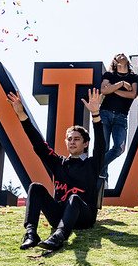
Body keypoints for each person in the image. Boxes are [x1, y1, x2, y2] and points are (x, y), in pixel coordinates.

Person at [8, 89, 105, 251]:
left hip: (84, 217)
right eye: (69, 139)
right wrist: (21, 115)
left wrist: (95, 114)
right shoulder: (58, 163)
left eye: (77, 139)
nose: (72, 142)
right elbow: (39, 144)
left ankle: (59, 237)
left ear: (86, 144)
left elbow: (101, 146)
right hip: (59, 215)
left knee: (74, 198)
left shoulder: (92, 164)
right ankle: (31, 234)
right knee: (35, 187)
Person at [98, 53, 137, 177]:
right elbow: (104, 90)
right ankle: (102, 174)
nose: (122, 55)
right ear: (115, 61)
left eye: (123, 54)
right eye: (119, 55)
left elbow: (132, 94)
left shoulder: (133, 77)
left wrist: (113, 89)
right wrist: (121, 84)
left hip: (121, 117)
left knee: (119, 148)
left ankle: (95, 166)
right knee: (102, 147)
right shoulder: (109, 75)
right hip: (105, 113)